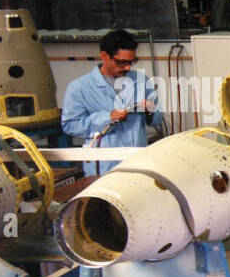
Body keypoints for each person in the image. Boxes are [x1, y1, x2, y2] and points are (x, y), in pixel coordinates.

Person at [61, 29, 159, 175]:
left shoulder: (141, 81)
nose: (128, 67)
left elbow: (156, 120)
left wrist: (150, 111)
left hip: (138, 161)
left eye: (132, 62)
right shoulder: (79, 87)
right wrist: (107, 117)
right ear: (104, 56)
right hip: (104, 166)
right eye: (122, 62)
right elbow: (70, 125)